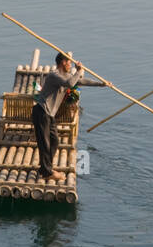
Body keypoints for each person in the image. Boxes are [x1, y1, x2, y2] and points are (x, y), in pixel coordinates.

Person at [31, 52, 106, 181]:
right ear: (62, 63)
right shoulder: (54, 76)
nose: (70, 65)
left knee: (54, 141)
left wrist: (101, 84)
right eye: (69, 62)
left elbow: (80, 81)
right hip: (41, 112)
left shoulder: (66, 75)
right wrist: (79, 71)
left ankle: (45, 168)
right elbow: (71, 84)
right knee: (45, 143)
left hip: (49, 114)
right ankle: (47, 173)